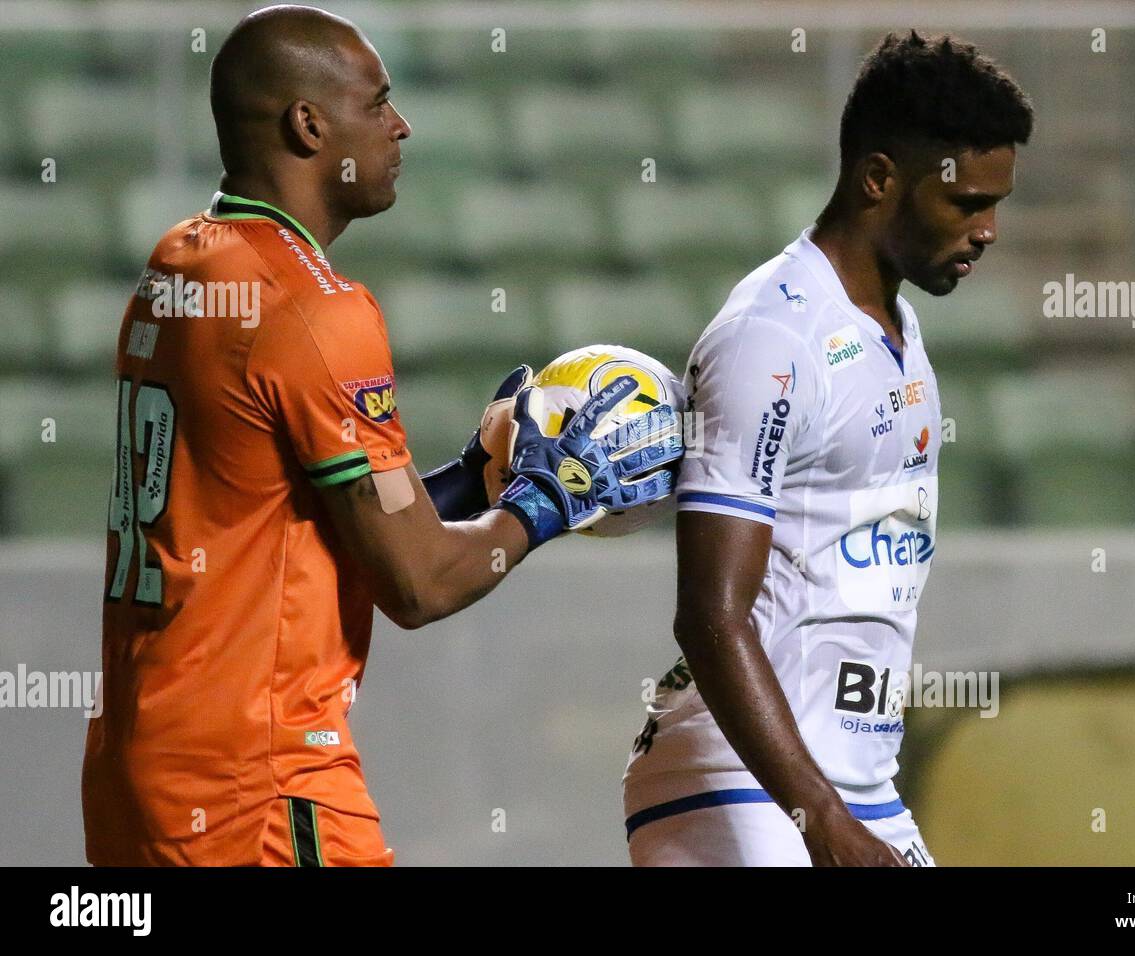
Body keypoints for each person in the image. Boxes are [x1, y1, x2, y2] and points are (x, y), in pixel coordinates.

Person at [84, 4, 680, 867]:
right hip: (257, 781)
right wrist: (551, 499)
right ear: (309, 124)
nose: (400, 125)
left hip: (143, 760)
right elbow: (419, 584)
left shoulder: (178, 265)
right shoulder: (315, 310)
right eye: (379, 102)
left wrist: (477, 475)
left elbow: (303, 525)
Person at [622, 30, 1033, 866]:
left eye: (997, 204)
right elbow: (710, 615)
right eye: (965, 204)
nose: (988, 230)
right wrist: (821, 818)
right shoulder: (772, 337)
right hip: (744, 781)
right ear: (878, 178)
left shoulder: (898, 321)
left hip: (854, 781)